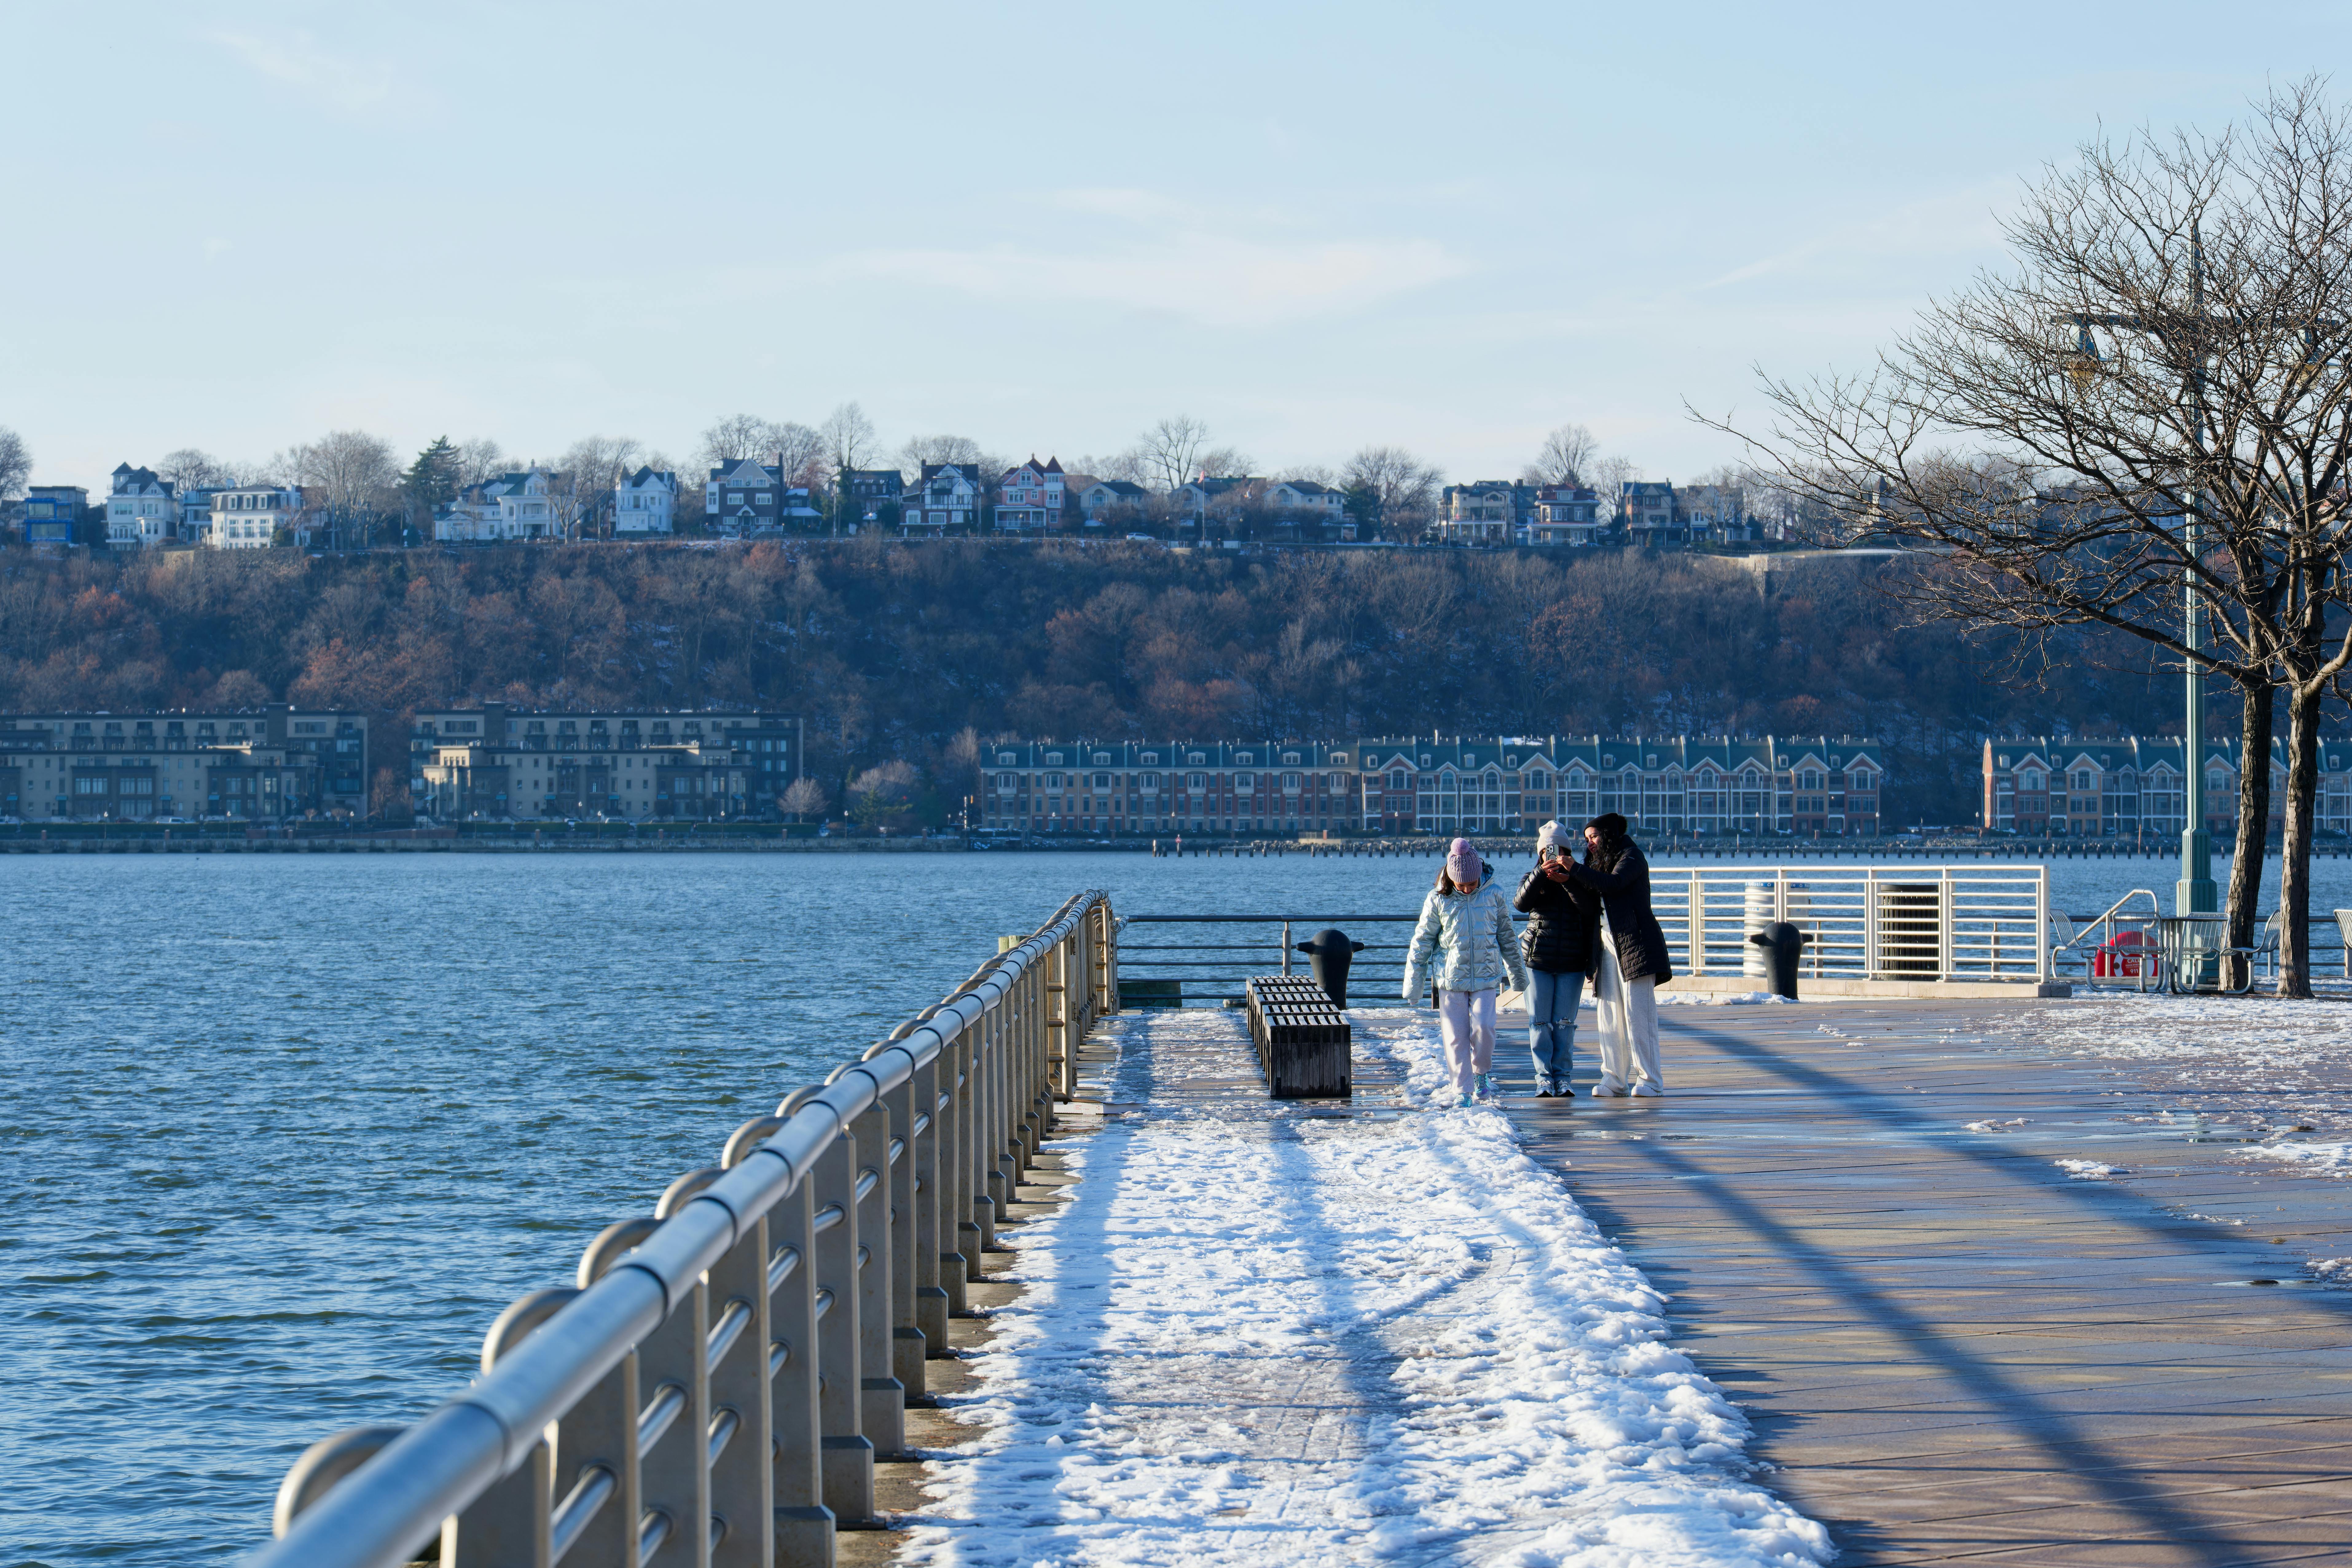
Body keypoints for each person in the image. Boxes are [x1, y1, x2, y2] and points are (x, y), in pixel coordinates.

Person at [1404, 837, 1531, 1107]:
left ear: (1479, 877)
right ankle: (1462, 1089)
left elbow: (1507, 937)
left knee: (1485, 1027)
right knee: (1455, 1036)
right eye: (1461, 884)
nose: (1466, 889)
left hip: (1486, 976)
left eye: (1471, 884)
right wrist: (1415, 986)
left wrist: (1518, 977)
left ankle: (1481, 1074)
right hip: (1450, 980)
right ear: (1451, 878)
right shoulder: (1438, 899)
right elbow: (1422, 941)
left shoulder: (1494, 894)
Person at [1568, 812, 1673, 1096]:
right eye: (1586, 839)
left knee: (1640, 1016)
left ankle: (1650, 1080)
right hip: (1606, 945)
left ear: (1609, 835)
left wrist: (1575, 869)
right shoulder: (1595, 863)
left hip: (1636, 944)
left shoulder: (1632, 857)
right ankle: (1614, 1079)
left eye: (1595, 837)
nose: (1589, 844)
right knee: (1610, 1016)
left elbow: (1613, 885)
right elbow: (1589, 905)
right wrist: (1567, 878)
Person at [1513, 820, 1602, 1097]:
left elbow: (1590, 913)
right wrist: (1541, 874)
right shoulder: (1533, 877)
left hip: (1572, 963)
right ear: (1540, 854)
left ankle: (1563, 1077)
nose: (1552, 857)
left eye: (1558, 851)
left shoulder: (1581, 879)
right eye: (1546, 852)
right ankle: (1543, 1078)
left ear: (1568, 852)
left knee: (1565, 1023)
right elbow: (1520, 904)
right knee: (1539, 1022)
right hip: (1537, 960)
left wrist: (1570, 881)